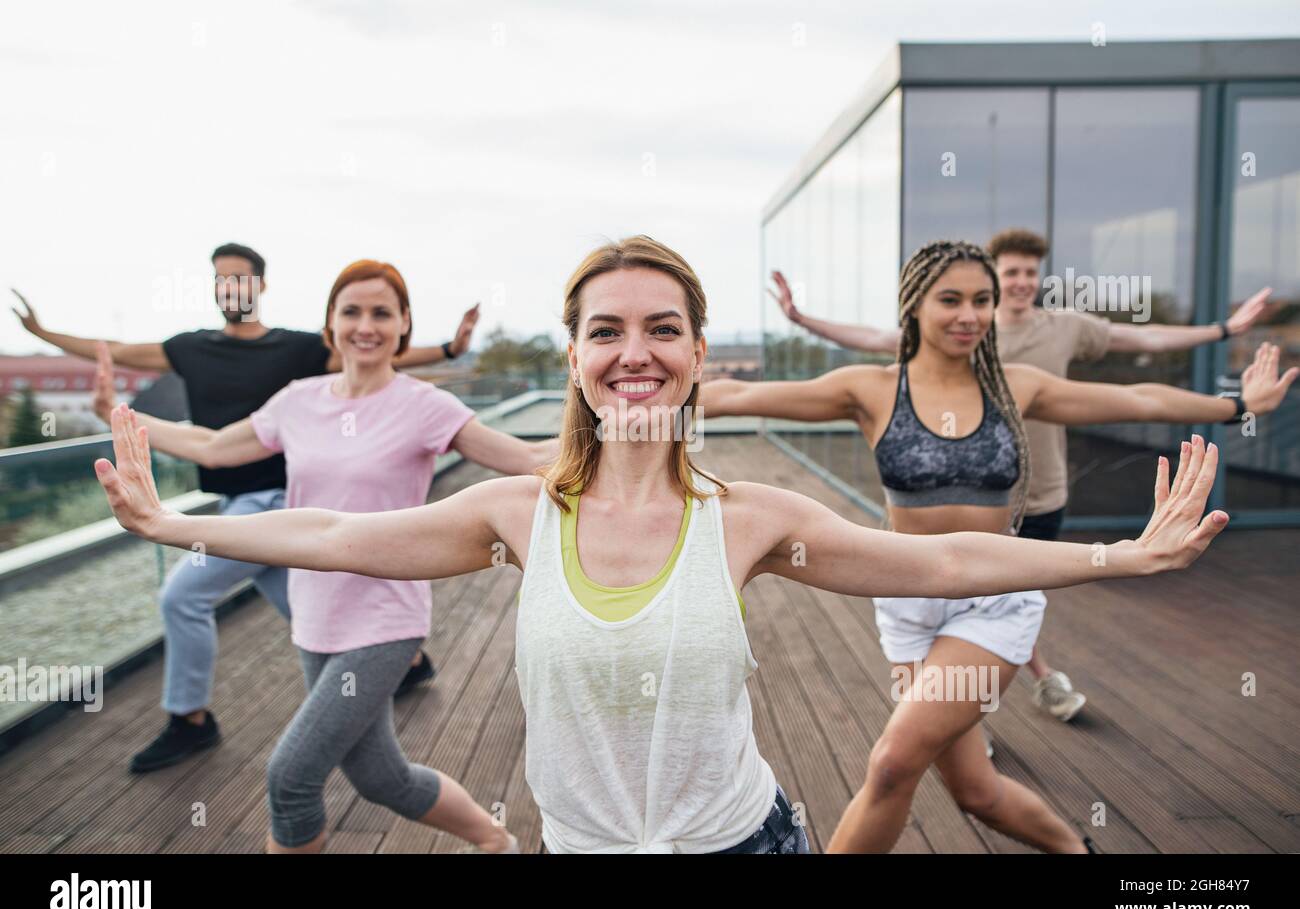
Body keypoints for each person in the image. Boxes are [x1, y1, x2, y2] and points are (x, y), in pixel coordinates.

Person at [95, 236, 1238, 854]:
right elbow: (339, 530)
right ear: (576, 355)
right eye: (605, 330)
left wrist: (1113, 559)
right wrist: (173, 520)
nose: (632, 352)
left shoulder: (748, 518)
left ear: (697, 355)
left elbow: (947, 565)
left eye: (662, 329)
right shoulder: (516, 514)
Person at [700, 239, 1293, 852]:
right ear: (914, 306)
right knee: (976, 791)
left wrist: (1239, 405)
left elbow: (1140, 398)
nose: (969, 315)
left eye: (981, 300)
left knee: (891, 764)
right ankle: (1074, 848)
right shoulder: (871, 389)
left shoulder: (1020, 386)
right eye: (950, 299)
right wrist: (636, 397)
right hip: (907, 604)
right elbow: (738, 396)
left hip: (993, 599)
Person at [94, 259, 554, 853]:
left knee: (291, 778)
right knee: (382, 778)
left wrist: (626, 427)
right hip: (314, 614)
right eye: (352, 311)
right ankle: (494, 840)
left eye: (382, 312)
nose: (366, 324)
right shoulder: (297, 401)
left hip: (386, 618)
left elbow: (523, 458)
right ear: (331, 325)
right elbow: (211, 444)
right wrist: (123, 419)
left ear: (404, 324)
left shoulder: (426, 406)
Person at [765, 228, 1275, 722]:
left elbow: (1140, 378)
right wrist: (792, 325)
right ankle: (962, 722)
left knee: (910, 743)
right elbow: (868, 340)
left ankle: (995, 696)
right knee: (949, 759)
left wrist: (1234, 394)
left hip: (1029, 503)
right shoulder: (909, 363)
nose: (971, 313)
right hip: (911, 579)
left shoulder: (1052, 338)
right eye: (1009, 273)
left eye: (987, 295)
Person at [11, 243, 480, 772]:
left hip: (284, 505)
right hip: (238, 505)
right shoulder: (191, 348)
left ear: (260, 286)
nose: (230, 288)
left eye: (240, 279)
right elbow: (118, 349)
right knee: (307, 607)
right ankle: (406, 661)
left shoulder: (295, 350)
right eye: (221, 279)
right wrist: (42, 334)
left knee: (182, 596)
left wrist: (446, 348)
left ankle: (189, 719)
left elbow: (374, 347)